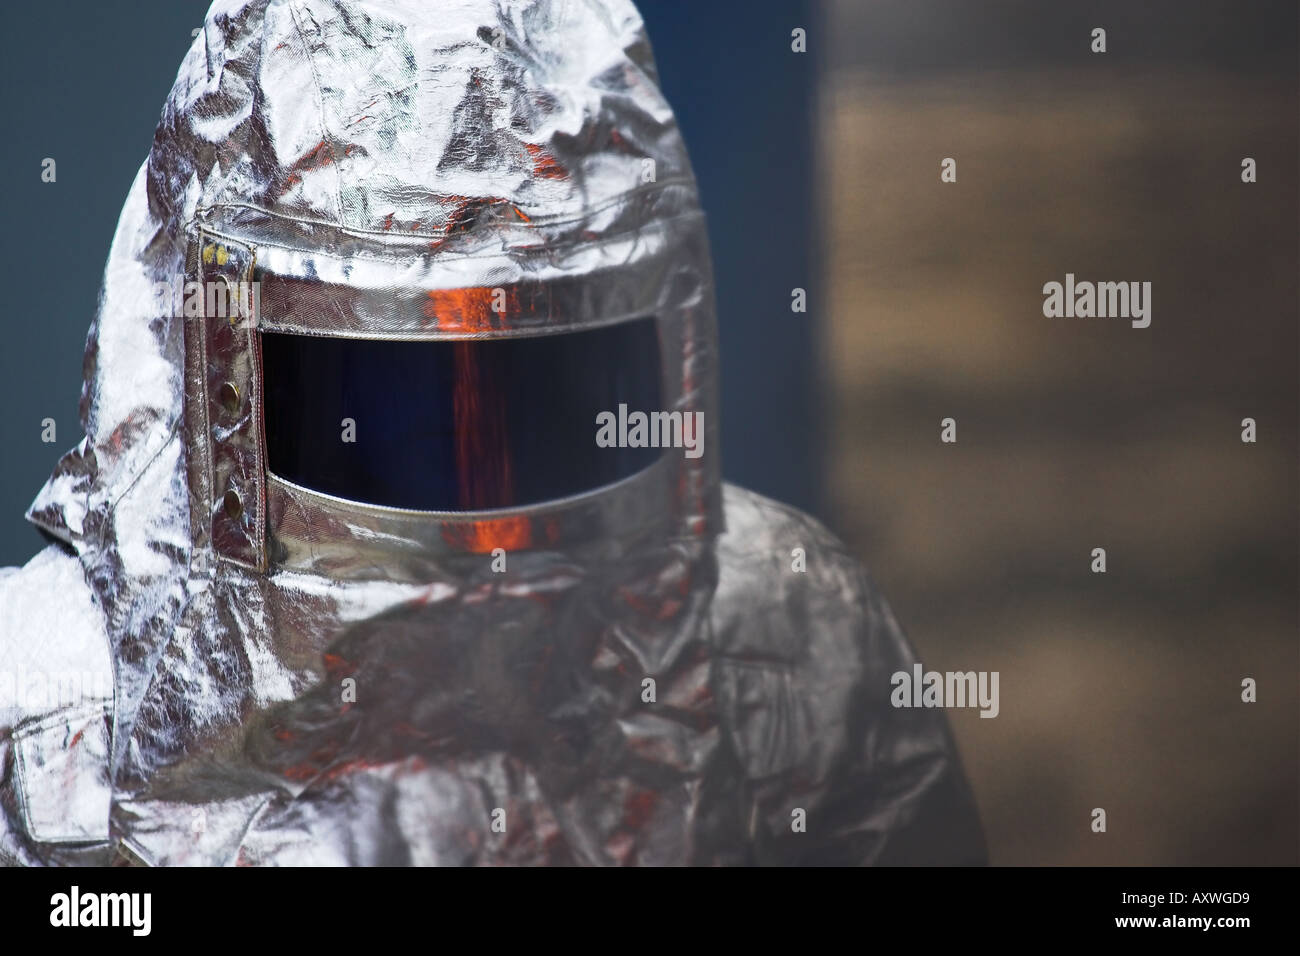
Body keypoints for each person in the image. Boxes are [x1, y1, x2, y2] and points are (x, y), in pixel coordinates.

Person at [0, 0, 985, 866]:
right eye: (388, 408)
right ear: (210, 382)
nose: (473, 499)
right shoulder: (41, 735)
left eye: (541, 399)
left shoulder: (793, 644)